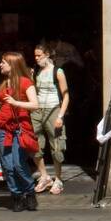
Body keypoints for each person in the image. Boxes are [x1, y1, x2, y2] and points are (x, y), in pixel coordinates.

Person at [0, 51, 41, 212]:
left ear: (12, 65)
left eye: (3, 62)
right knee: (7, 166)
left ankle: (29, 192)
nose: (0, 64)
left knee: (19, 164)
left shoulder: (26, 82)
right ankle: (16, 195)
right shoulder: (3, 84)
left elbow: (35, 105)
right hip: (3, 129)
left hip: (20, 129)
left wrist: (16, 102)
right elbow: (2, 105)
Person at [31, 41, 70, 195]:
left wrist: (60, 115)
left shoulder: (58, 72)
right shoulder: (35, 71)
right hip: (38, 110)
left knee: (57, 145)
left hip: (54, 109)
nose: (36, 58)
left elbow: (66, 95)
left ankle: (58, 179)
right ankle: (44, 176)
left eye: (39, 55)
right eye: (35, 56)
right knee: (35, 145)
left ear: (47, 55)